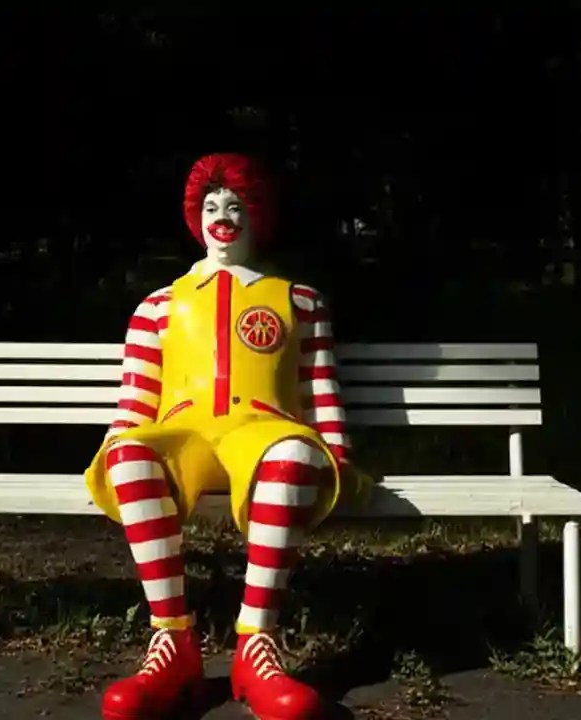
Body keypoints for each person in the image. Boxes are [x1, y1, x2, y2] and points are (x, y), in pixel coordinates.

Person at [84, 152, 373, 719]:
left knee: (292, 456)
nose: (224, 216)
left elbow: (319, 388)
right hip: (185, 434)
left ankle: (255, 645)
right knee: (131, 457)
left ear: (256, 214)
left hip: (263, 431)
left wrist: (336, 453)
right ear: (195, 215)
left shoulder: (299, 300)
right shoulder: (157, 306)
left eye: (236, 206)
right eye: (212, 205)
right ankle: (172, 642)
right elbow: (137, 398)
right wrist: (119, 443)